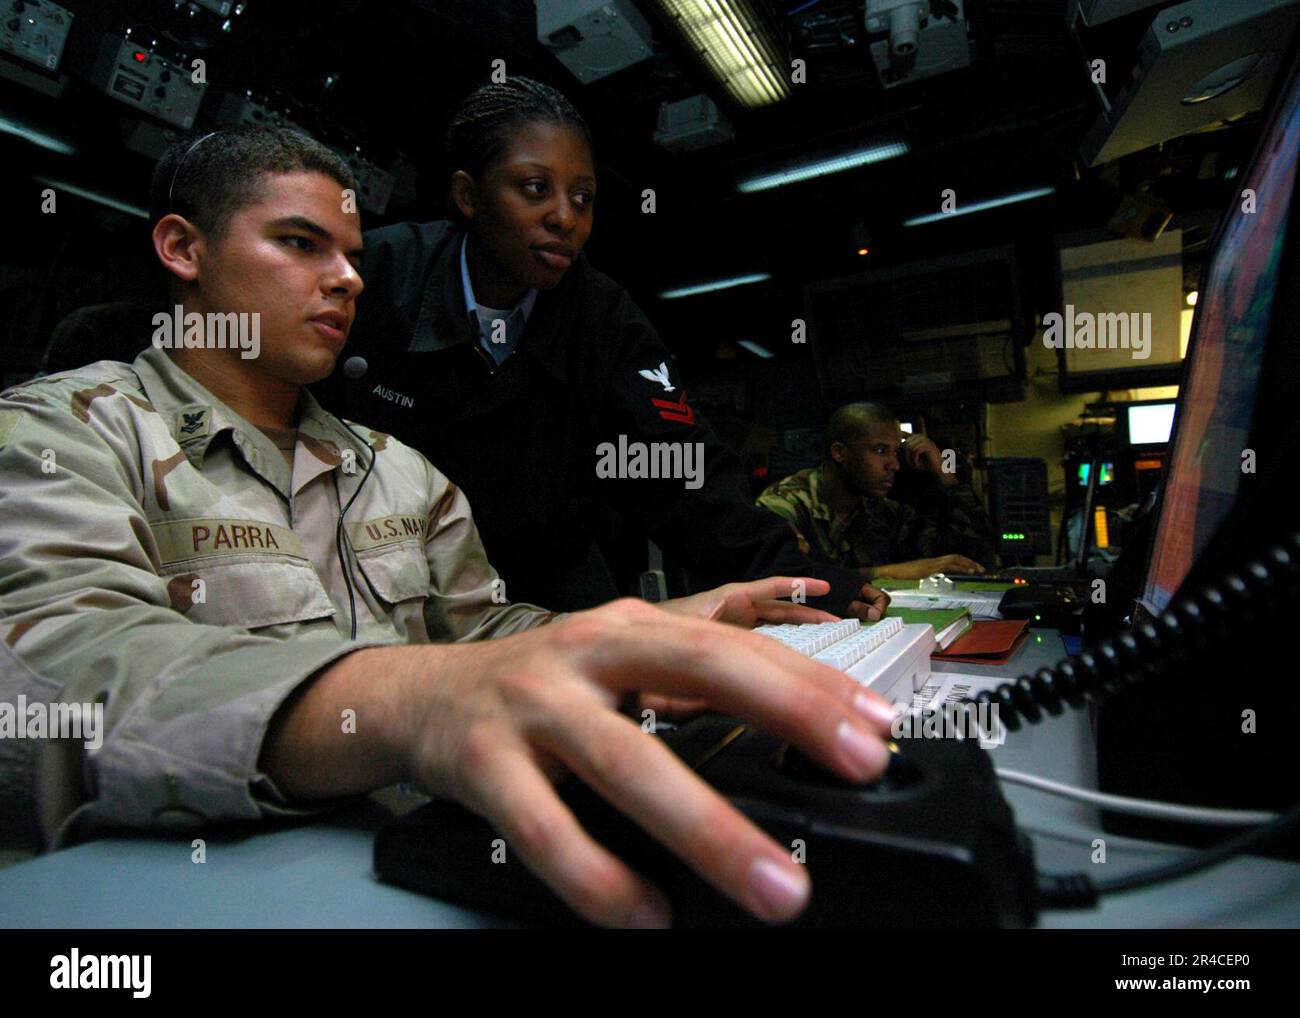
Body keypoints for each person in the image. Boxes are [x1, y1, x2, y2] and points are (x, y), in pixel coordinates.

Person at [0, 126, 898, 928]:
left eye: (351, 253)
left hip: (404, 872)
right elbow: (60, 669)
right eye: (299, 243)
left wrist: (654, 635)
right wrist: (406, 702)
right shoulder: (63, 431)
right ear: (182, 248)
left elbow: (485, 636)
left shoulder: (397, 469)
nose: (348, 276)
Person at [316, 76, 889, 621]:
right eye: (535, 189)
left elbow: (681, 466)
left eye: (583, 196)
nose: (566, 218)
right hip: (375, 576)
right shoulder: (375, 278)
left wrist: (796, 575)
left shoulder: (605, 319)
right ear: (468, 195)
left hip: (539, 583)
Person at [757, 402, 1000, 580]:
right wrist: (889, 573)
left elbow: (976, 556)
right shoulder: (785, 504)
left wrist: (945, 476)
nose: (894, 465)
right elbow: (789, 584)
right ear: (839, 452)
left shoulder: (880, 510)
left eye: (896, 452)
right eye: (881, 451)